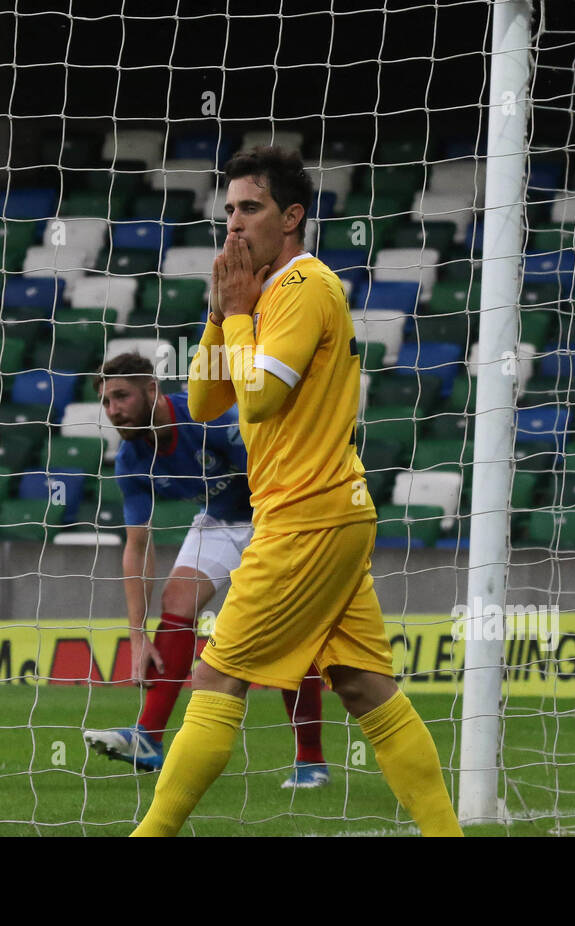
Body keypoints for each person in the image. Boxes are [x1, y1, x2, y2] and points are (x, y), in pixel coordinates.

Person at [131, 146, 463, 837]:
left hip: (305, 518)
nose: (232, 224)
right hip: (327, 513)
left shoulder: (306, 288)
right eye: (227, 211)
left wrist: (244, 313)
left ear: (291, 217)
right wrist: (222, 315)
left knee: (217, 678)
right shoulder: (260, 295)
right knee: (366, 686)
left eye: (248, 208)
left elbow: (255, 400)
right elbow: (201, 400)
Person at [82, 352, 329, 789]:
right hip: (220, 519)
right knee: (176, 600)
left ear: (153, 391)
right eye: (105, 401)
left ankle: (311, 761)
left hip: (278, 510)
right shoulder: (131, 459)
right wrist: (137, 638)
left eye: (121, 396)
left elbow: (275, 468)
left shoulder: (209, 419)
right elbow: (137, 547)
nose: (113, 409)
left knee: (293, 634)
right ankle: (148, 738)